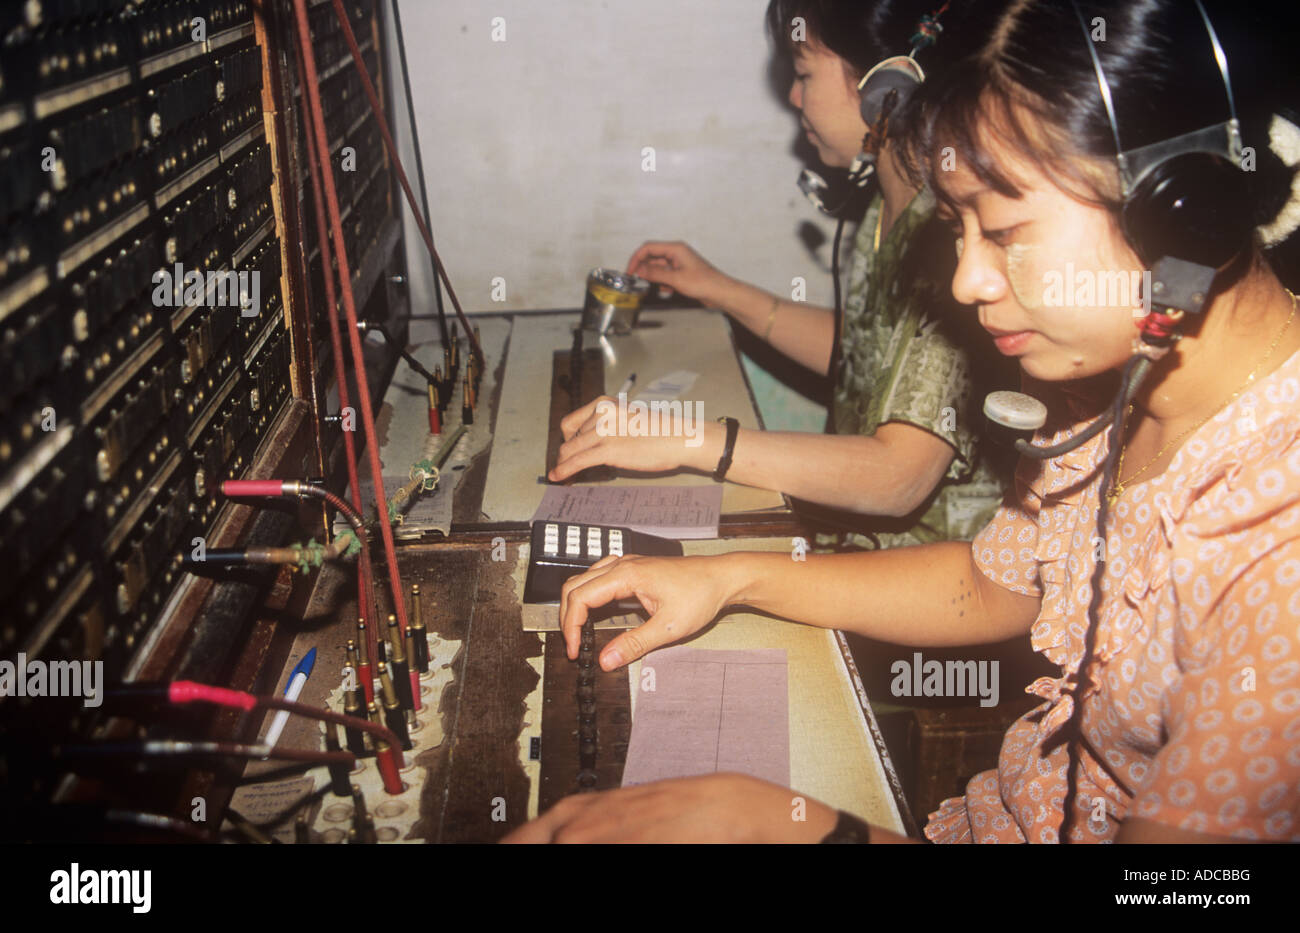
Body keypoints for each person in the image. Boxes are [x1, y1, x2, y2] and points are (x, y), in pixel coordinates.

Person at [505, 0, 1300, 843]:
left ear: (1183, 215)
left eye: (1005, 231)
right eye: (961, 231)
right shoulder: (1119, 387)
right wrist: (731, 577)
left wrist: (792, 825)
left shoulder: (1278, 541)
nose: (967, 283)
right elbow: (992, 581)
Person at [551, 0, 1014, 552]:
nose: (793, 98)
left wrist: (686, 440)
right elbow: (867, 360)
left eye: (803, 74)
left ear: (885, 88)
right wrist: (721, 290)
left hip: (934, 591)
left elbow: (897, 476)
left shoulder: (949, 239)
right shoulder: (884, 208)